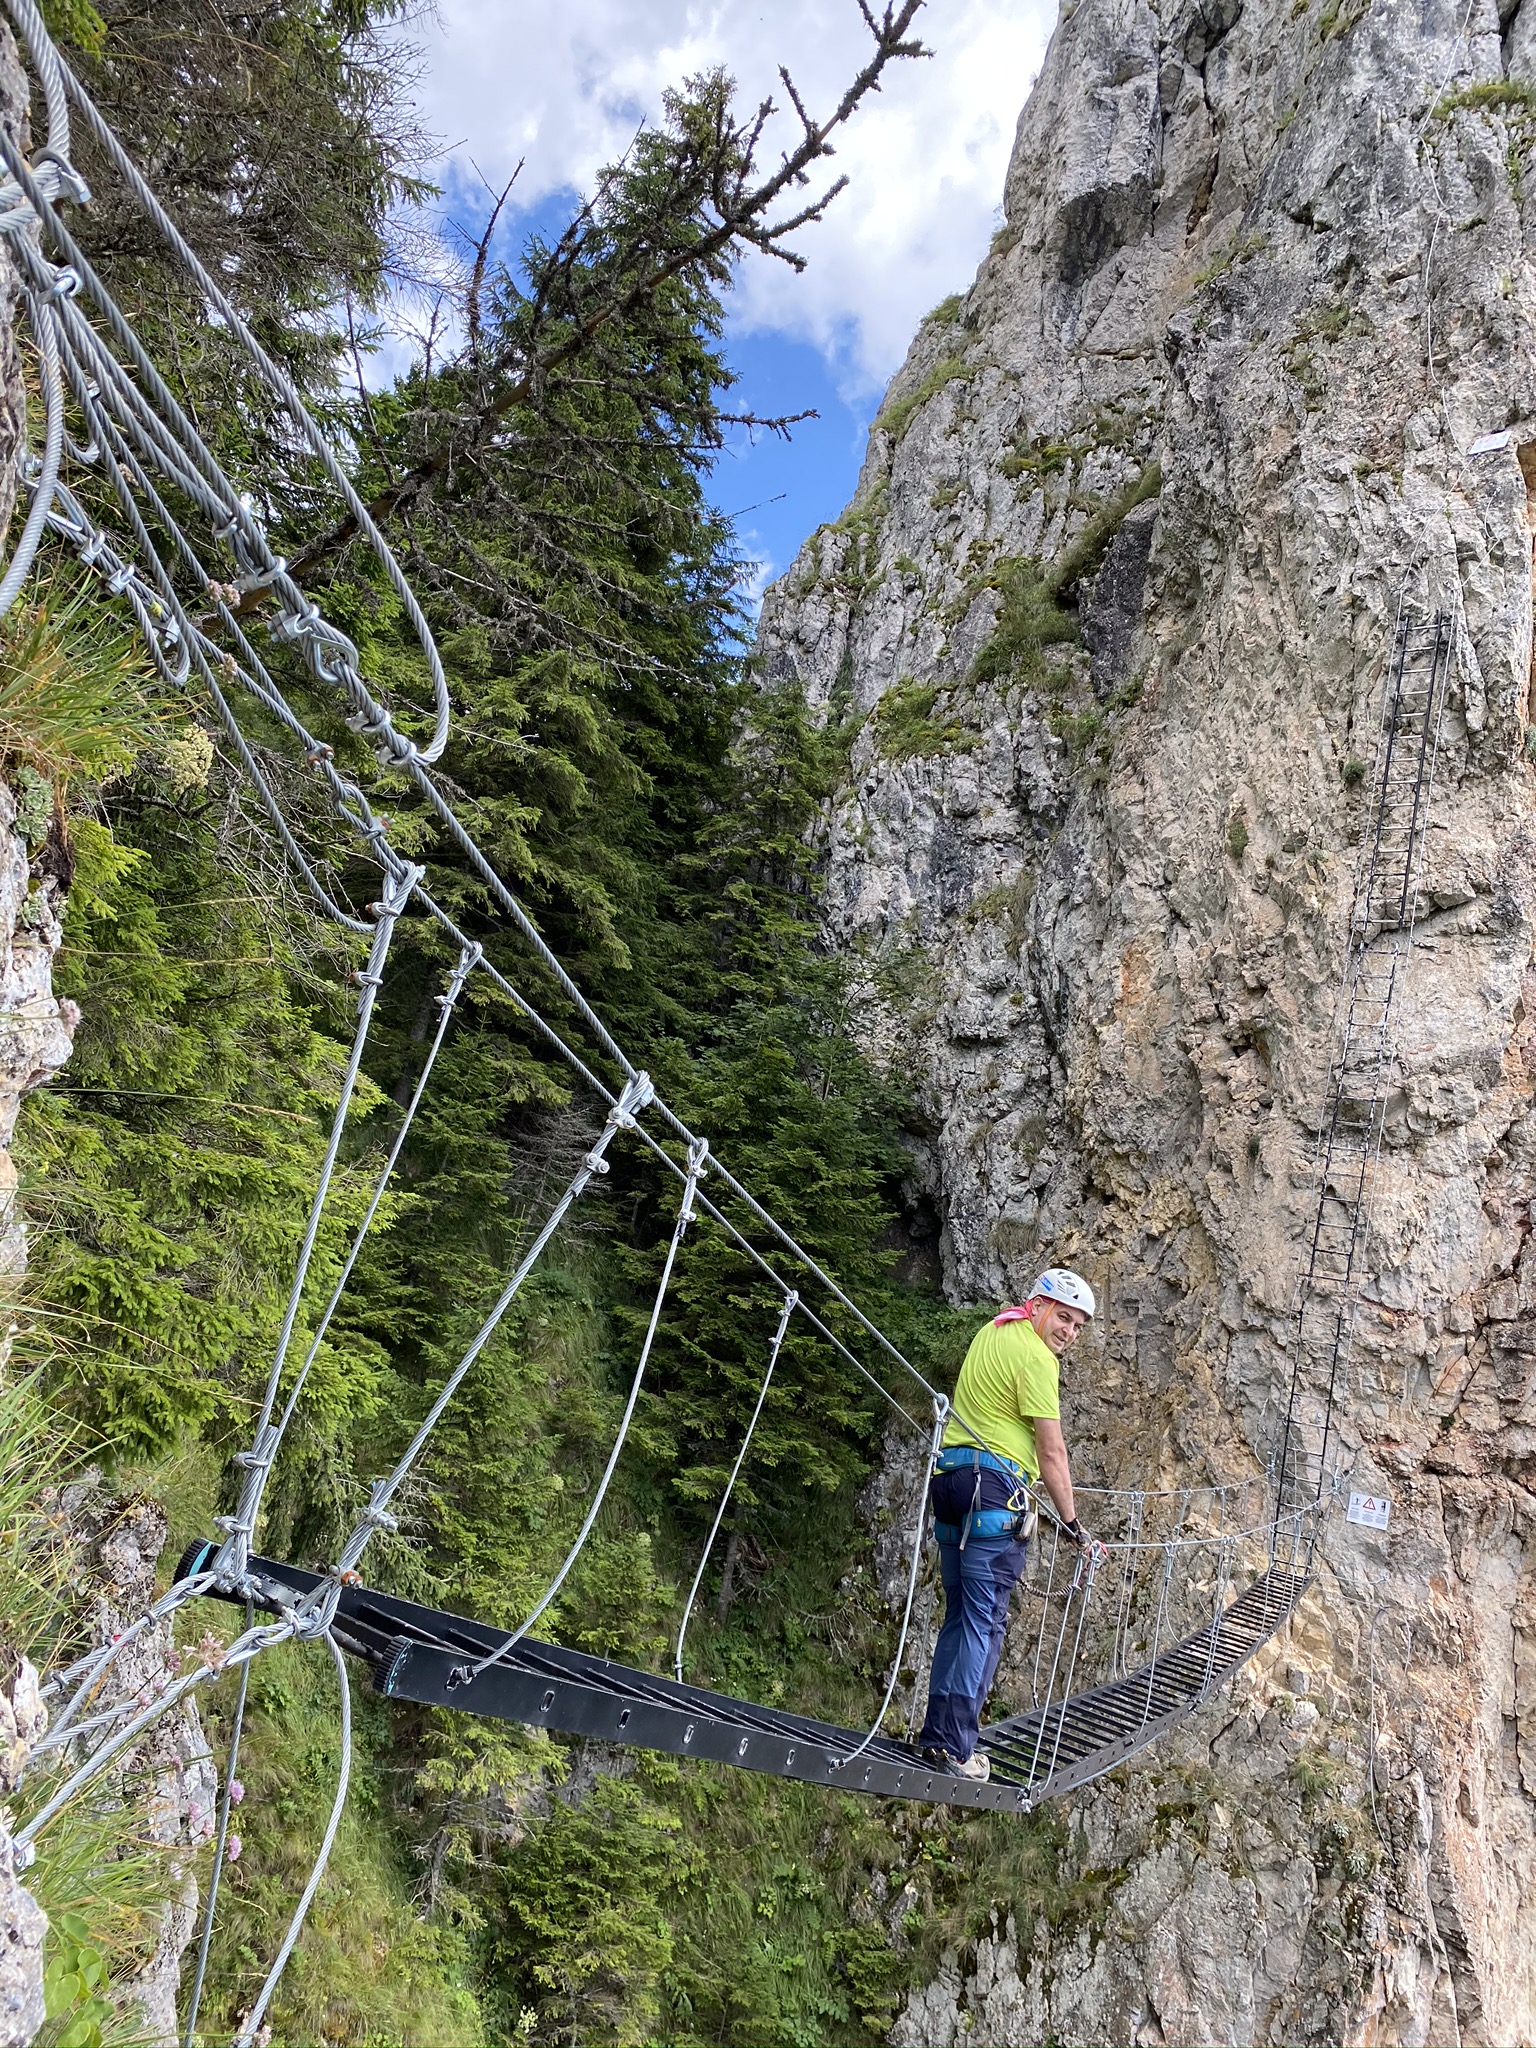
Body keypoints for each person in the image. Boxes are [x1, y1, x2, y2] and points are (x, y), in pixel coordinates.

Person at [917, 1267, 1097, 1783]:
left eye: (1079, 1325)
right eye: (1064, 1317)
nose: (1069, 1331)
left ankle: (937, 1737)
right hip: (992, 1494)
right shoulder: (1038, 1359)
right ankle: (955, 1748)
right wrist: (1073, 1525)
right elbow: (1052, 1451)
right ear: (1037, 1305)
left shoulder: (991, 1332)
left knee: (959, 1616)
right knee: (984, 1622)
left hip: (950, 1484)